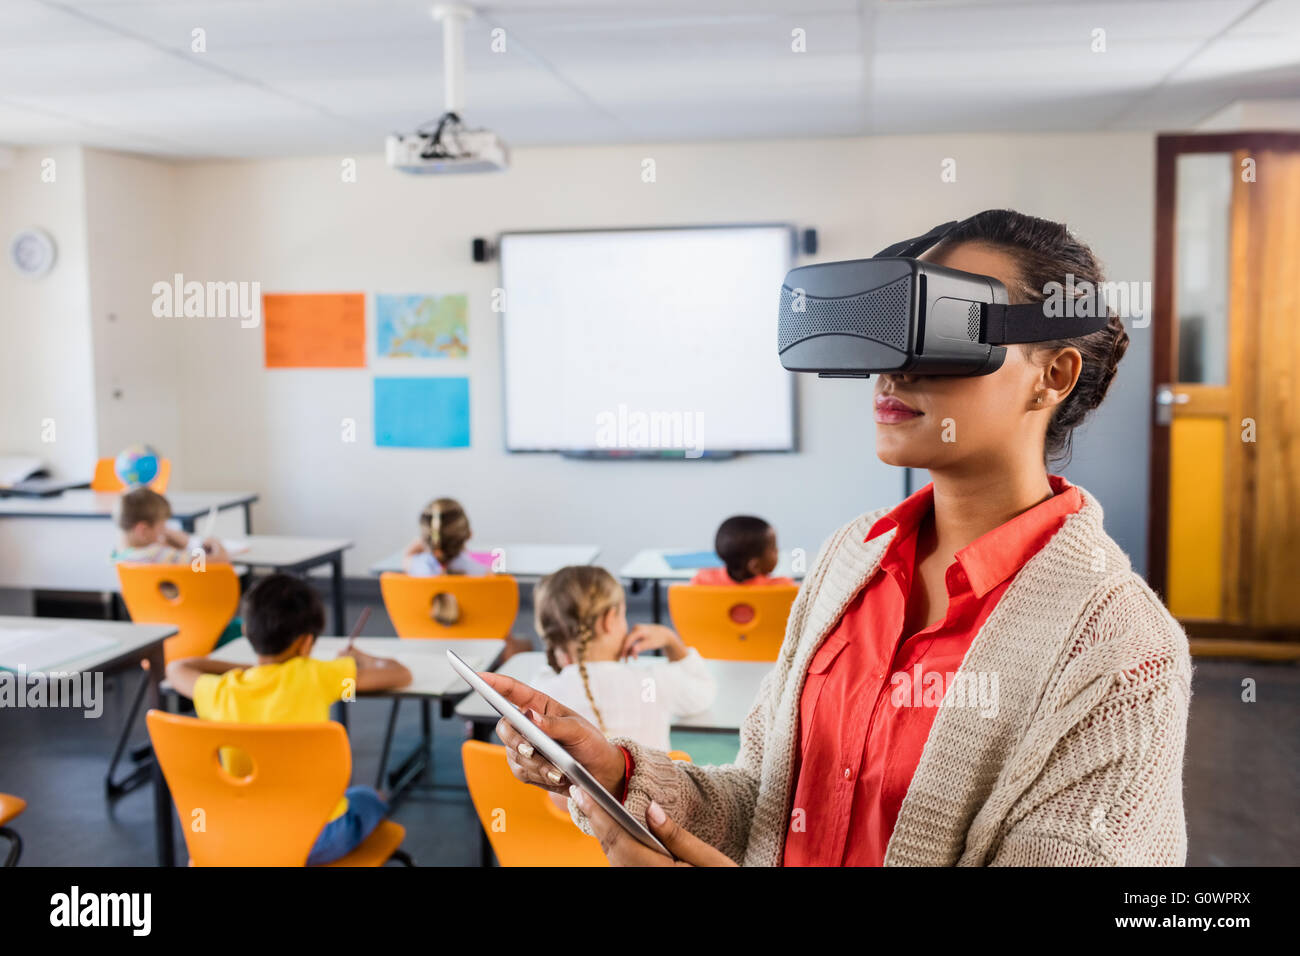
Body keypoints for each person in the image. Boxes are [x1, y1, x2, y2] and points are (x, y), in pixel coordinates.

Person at [483, 209, 1192, 867]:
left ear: (1053, 376)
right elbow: (761, 803)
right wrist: (619, 771)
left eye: (942, 327)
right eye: (887, 329)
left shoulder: (1123, 649)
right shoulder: (851, 559)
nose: (893, 367)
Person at [166, 573, 412, 865]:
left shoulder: (222, 690)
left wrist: (252, 670)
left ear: (246, 632)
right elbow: (399, 674)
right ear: (306, 644)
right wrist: (361, 656)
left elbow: (178, 667)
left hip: (239, 837)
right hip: (316, 839)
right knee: (370, 798)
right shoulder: (318, 676)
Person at [529, 566, 716, 751]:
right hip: (649, 782)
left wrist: (561, 656)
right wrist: (671, 640)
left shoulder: (541, 692)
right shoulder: (653, 682)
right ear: (609, 620)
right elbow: (704, 692)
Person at [112, 487, 230, 565]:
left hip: (142, 604)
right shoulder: (160, 554)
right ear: (143, 530)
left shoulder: (118, 555)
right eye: (162, 526)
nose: (165, 530)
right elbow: (221, 560)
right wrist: (215, 543)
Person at [689, 515, 795, 587]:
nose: (778, 550)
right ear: (755, 566)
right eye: (773, 548)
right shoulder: (783, 587)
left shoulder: (702, 581)